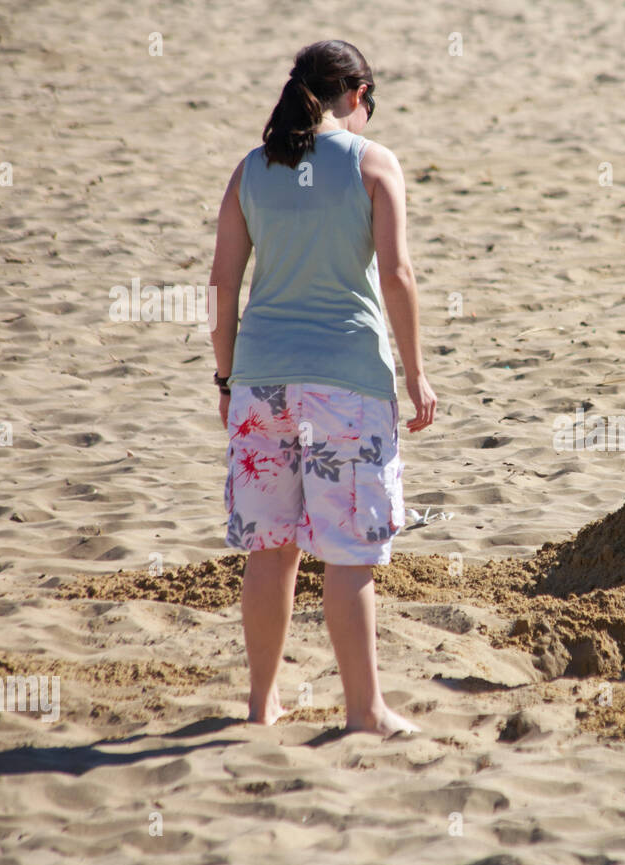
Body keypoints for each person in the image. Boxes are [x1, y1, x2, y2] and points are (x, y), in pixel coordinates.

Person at [209, 40, 436, 736]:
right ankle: (364, 710)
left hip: (261, 381)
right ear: (357, 95)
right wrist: (418, 372)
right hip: (345, 384)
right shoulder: (373, 163)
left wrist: (225, 376)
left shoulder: (251, 169)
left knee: (270, 550)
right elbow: (396, 275)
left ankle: (261, 704)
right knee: (349, 550)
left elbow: (221, 283)